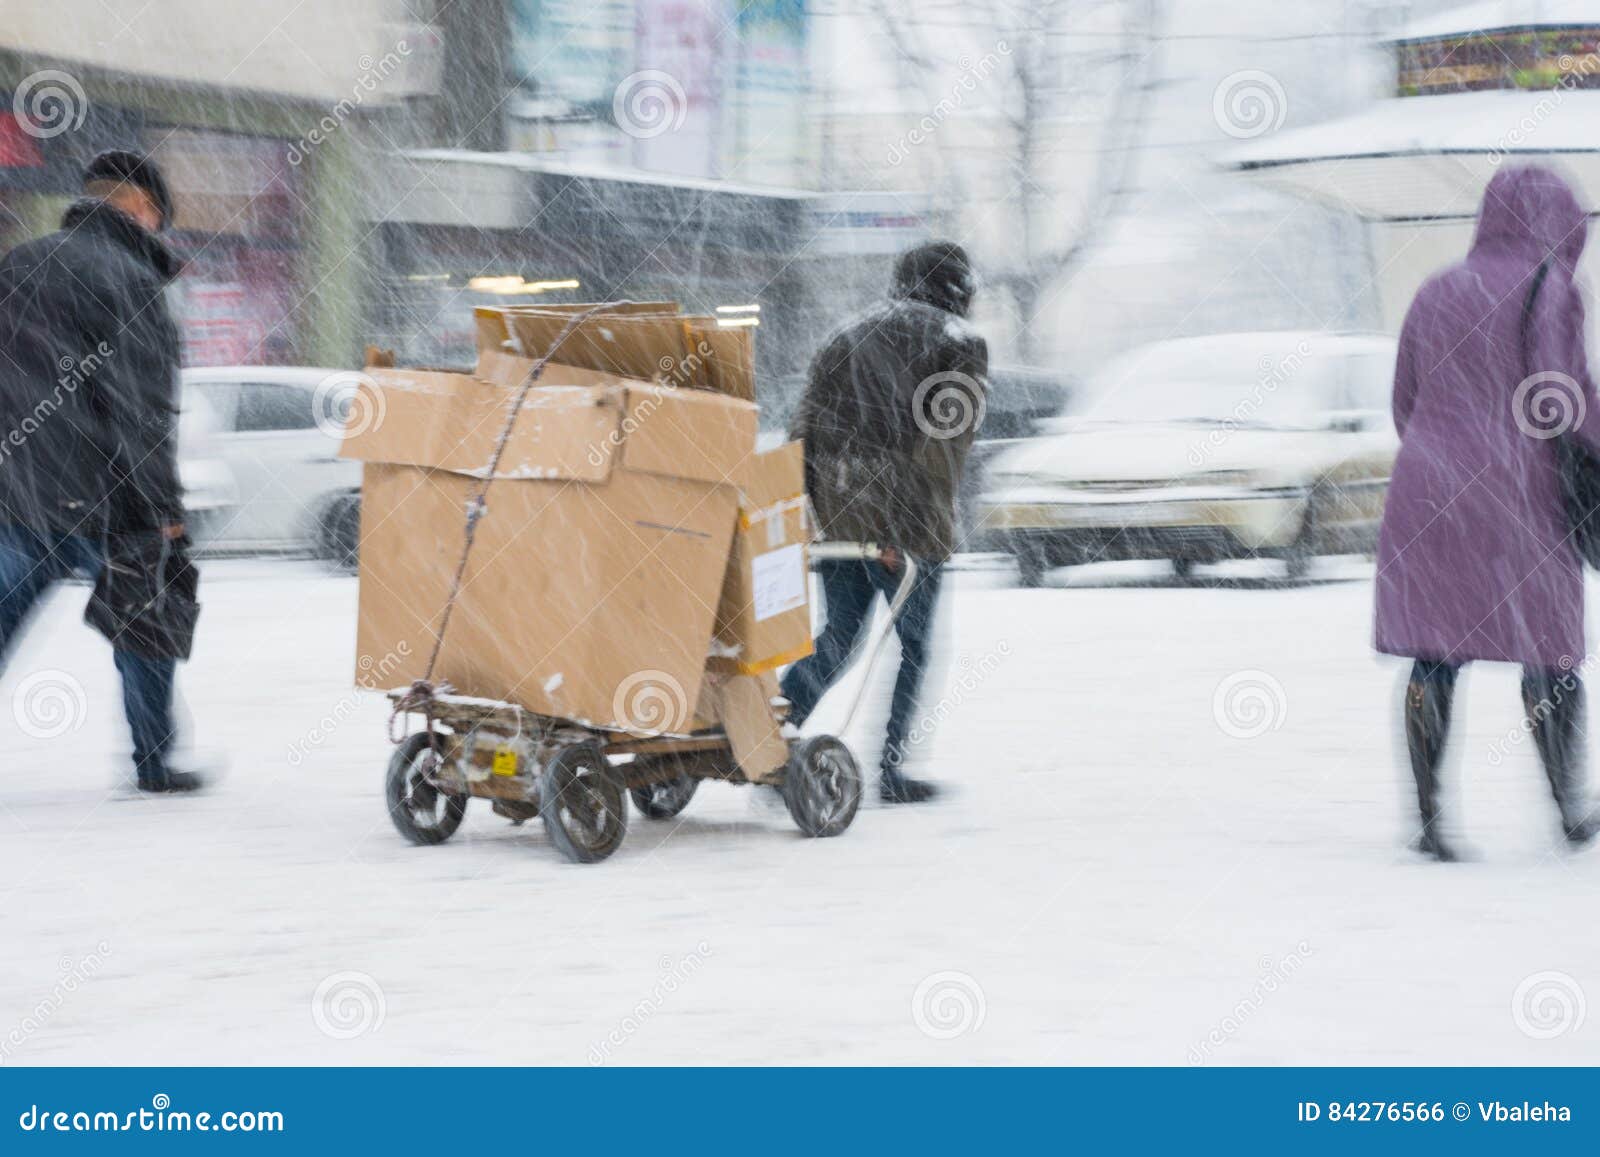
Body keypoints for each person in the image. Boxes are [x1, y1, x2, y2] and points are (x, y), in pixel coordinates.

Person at [1375, 164, 1600, 860]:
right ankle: (1567, 807)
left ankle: (1427, 815)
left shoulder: (1437, 288)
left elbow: (1404, 399)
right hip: (1518, 495)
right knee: (1549, 656)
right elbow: (1560, 397)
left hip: (1427, 487)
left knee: (1435, 656)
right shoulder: (1549, 289)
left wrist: (1444, 445)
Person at [0, 149, 202, 793]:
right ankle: (153, 761)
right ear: (141, 210)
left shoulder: (17, 266)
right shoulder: (131, 280)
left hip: (19, 491)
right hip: (109, 496)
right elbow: (143, 408)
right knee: (148, 620)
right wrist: (164, 510)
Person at [781, 240, 987, 804]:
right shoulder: (959, 344)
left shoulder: (842, 336)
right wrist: (906, 531)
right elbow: (944, 444)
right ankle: (893, 772)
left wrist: (806, 507)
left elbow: (801, 430)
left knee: (839, 637)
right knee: (915, 644)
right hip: (905, 517)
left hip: (836, 511)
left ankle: (770, 739)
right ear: (957, 289)